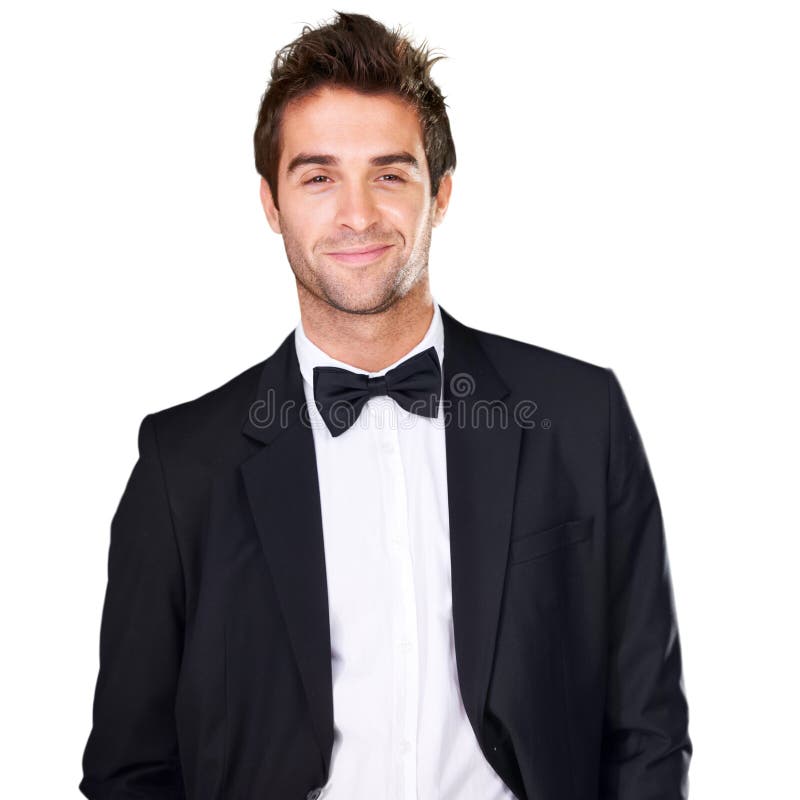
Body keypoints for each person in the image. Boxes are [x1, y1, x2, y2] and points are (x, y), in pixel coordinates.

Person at [79, 11, 692, 800]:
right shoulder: (182, 465)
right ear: (271, 203)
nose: (358, 215)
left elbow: (647, 730)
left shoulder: (581, 418)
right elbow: (129, 769)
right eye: (319, 177)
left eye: (390, 174)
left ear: (441, 193)